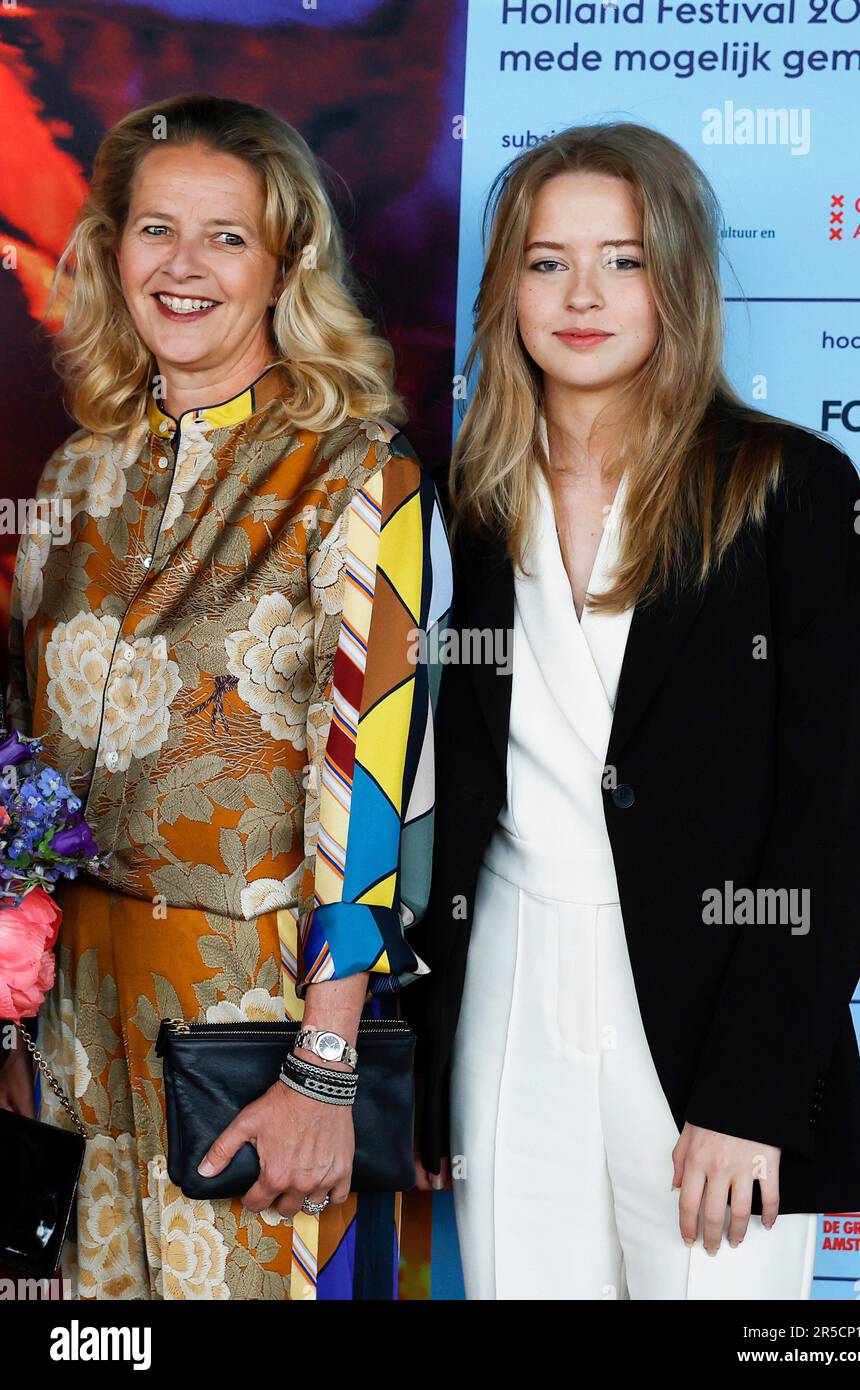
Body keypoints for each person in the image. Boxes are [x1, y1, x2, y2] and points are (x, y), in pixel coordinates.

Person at [406, 122, 860, 1300]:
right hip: (509, 1002)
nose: (582, 294)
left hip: (717, 1011)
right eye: (545, 259)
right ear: (505, 288)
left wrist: (753, 1095)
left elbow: (830, 814)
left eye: (621, 259)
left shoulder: (788, 485)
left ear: (675, 279)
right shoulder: (459, 503)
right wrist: (421, 1064)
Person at [0, 91, 451, 1301]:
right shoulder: (74, 474)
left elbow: (374, 785)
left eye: (226, 236)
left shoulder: (359, 472)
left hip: (252, 1021)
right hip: (69, 1032)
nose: (184, 266)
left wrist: (322, 1067)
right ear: (111, 250)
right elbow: (18, 779)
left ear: (284, 264)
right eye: (156, 230)